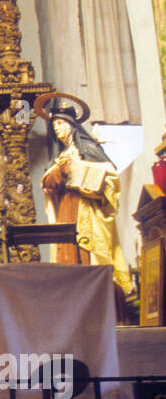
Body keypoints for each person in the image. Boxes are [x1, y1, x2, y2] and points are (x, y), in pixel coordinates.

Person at [40, 101, 132, 295]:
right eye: (54, 125)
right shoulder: (61, 155)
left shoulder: (87, 148)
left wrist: (77, 166)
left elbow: (109, 172)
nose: (56, 128)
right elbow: (50, 183)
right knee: (67, 251)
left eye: (60, 123)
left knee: (86, 252)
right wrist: (56, 172)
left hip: (85, 208)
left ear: (71, 125)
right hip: (66, 208)